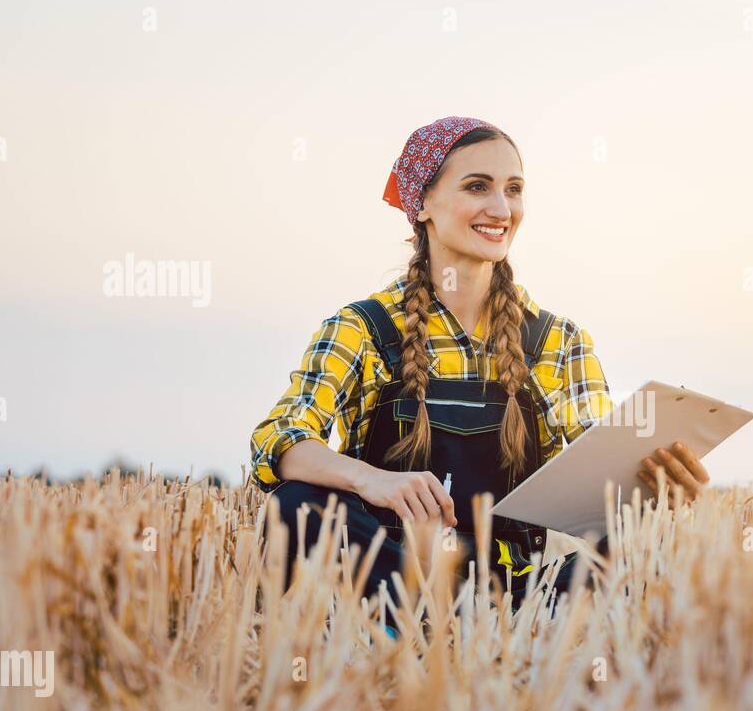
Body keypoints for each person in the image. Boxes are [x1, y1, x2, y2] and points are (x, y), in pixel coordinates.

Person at [248, 115, 711, 627]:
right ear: (420, 204)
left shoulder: (560, 341)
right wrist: (369, 480)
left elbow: (593, 493)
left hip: (522, 593)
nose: (501, 209)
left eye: (513, 190)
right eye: (477, 187)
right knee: (296, 506)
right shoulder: (362, 328)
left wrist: (655, 492)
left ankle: (500, 635)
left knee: (640, 550)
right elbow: (278, 439)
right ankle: (414, 630)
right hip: (393, 578)